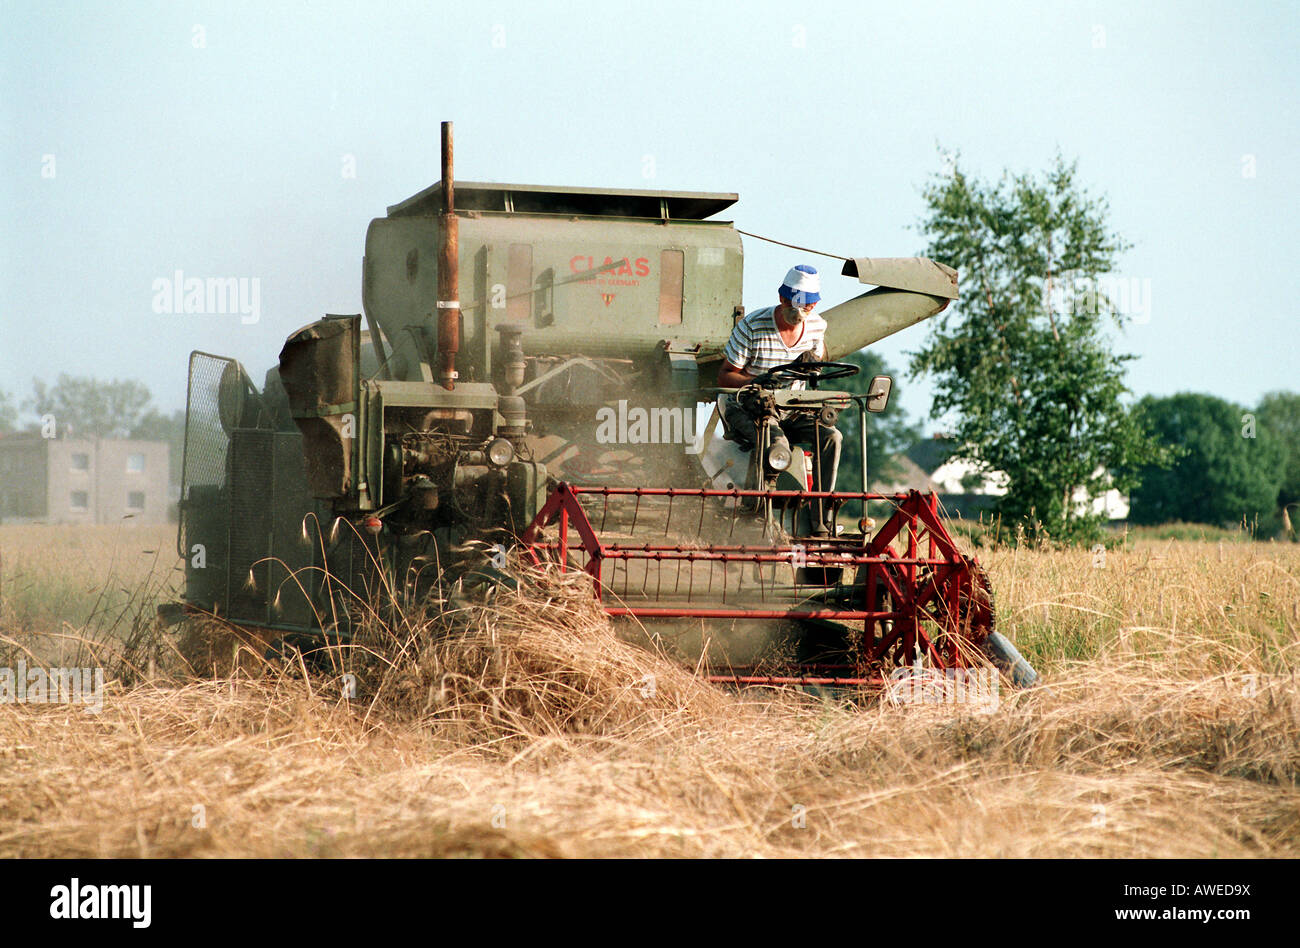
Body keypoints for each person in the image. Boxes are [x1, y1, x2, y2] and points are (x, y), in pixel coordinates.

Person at [717, 264, 842, 532]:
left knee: (832, 436)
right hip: (746, 407)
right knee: (776, 441)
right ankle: (757, 513)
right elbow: (725, 376)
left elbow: (815, 365)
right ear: (781, 298)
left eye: (805, 307)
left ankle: (820, 517)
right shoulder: (752, 326)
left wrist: (812, 364)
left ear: (815, 304)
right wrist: (756, 382)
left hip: (792, 408)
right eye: (792, 306)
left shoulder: (817, 327)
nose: (798, 314)